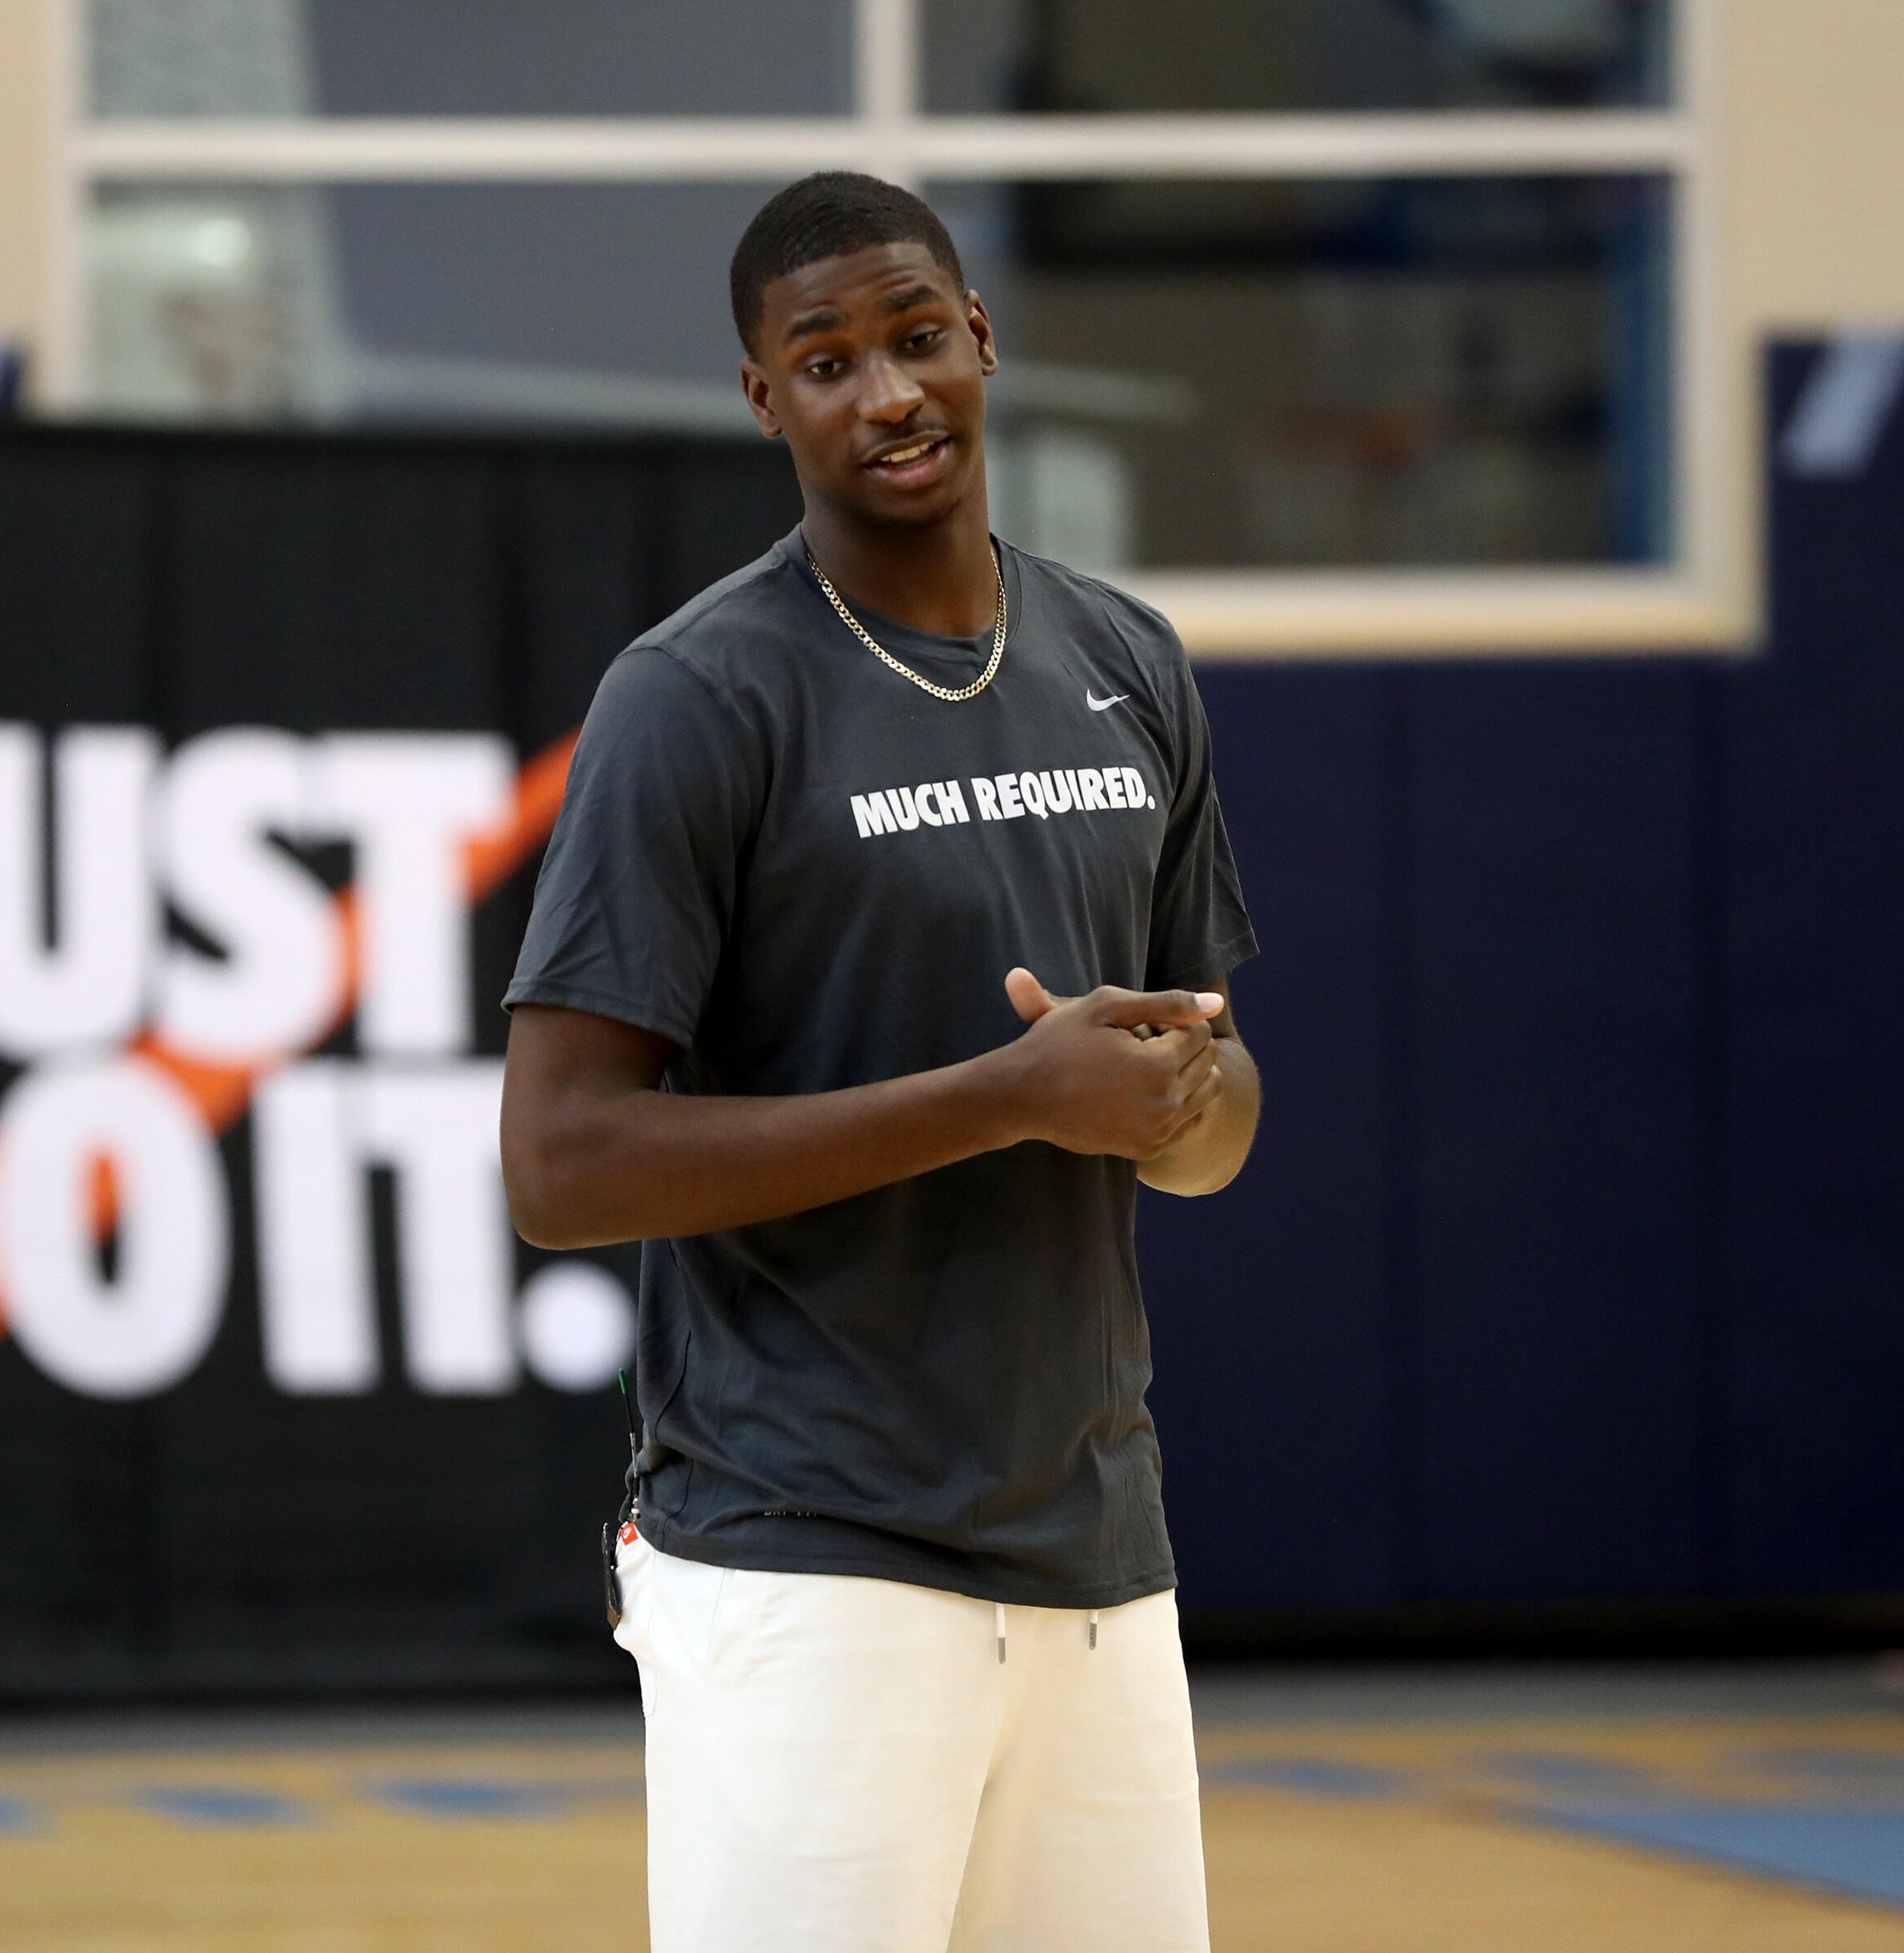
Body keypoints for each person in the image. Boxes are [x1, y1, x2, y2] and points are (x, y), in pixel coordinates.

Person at [497, 171, 1263, 1953]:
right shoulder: (697, 697)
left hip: (1097, 1557)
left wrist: (1177, 1104)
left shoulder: (1125, 660)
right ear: (767, 399)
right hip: (805, 1558)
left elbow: (1215, 1107)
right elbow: (562, 1165)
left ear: (981, 339)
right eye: (827, 361)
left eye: (915, 340)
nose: (888, 393)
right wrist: (1006, 1099)